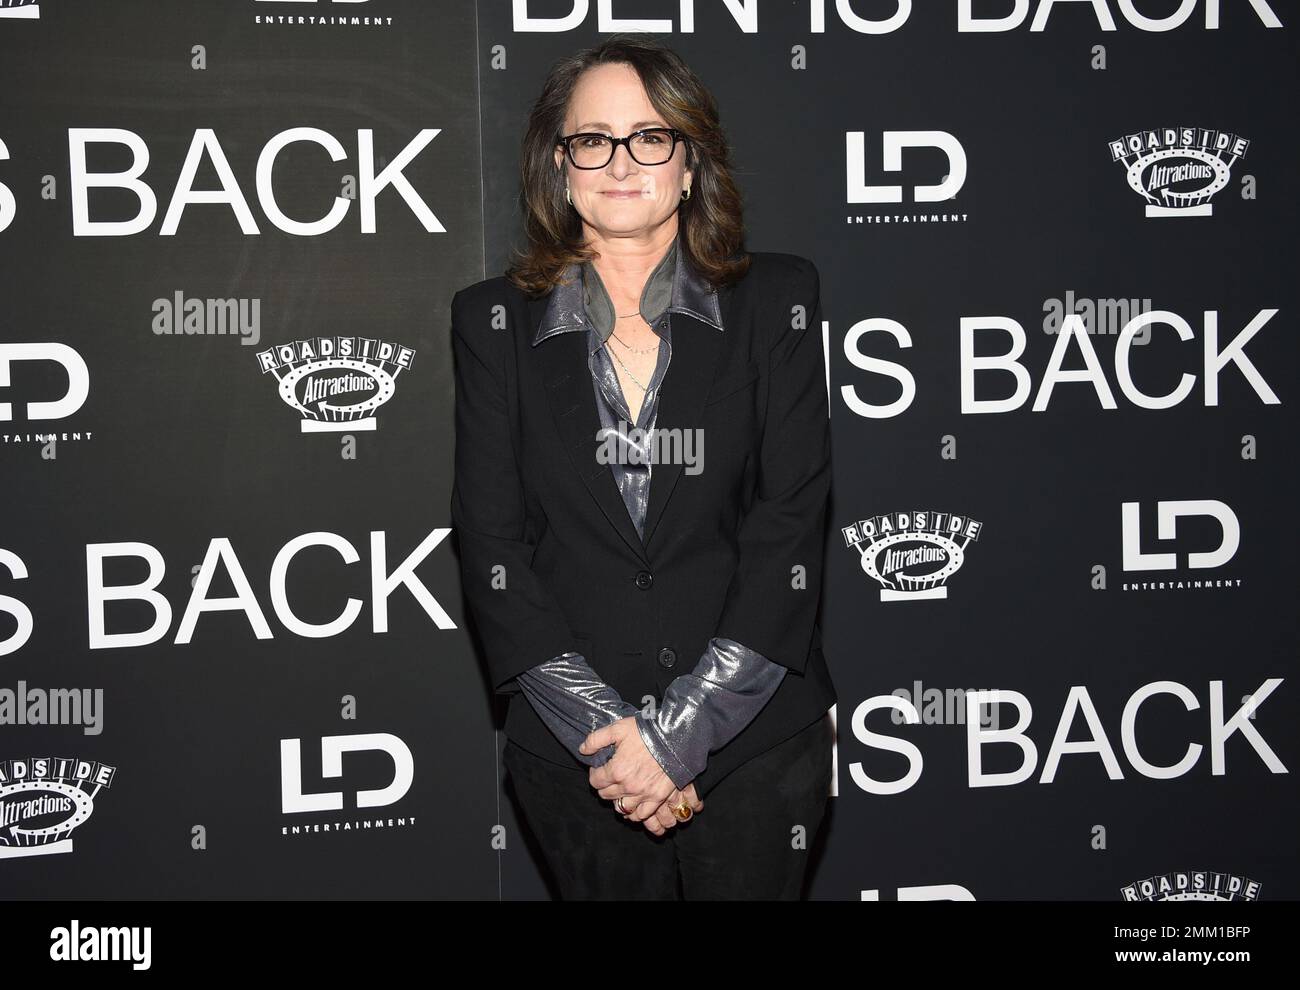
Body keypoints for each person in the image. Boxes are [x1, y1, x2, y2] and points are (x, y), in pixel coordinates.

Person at [450, 35, 836, 900]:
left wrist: (679, 737)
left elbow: (790, 523)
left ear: (690, 162)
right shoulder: (491, 323)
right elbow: (491, 545)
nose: (621, 162)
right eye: (593, 139)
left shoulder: (778, 301)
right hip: (579, 759)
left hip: (756, 746)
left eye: (650, 137)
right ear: (560, 165)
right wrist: (617, 740)